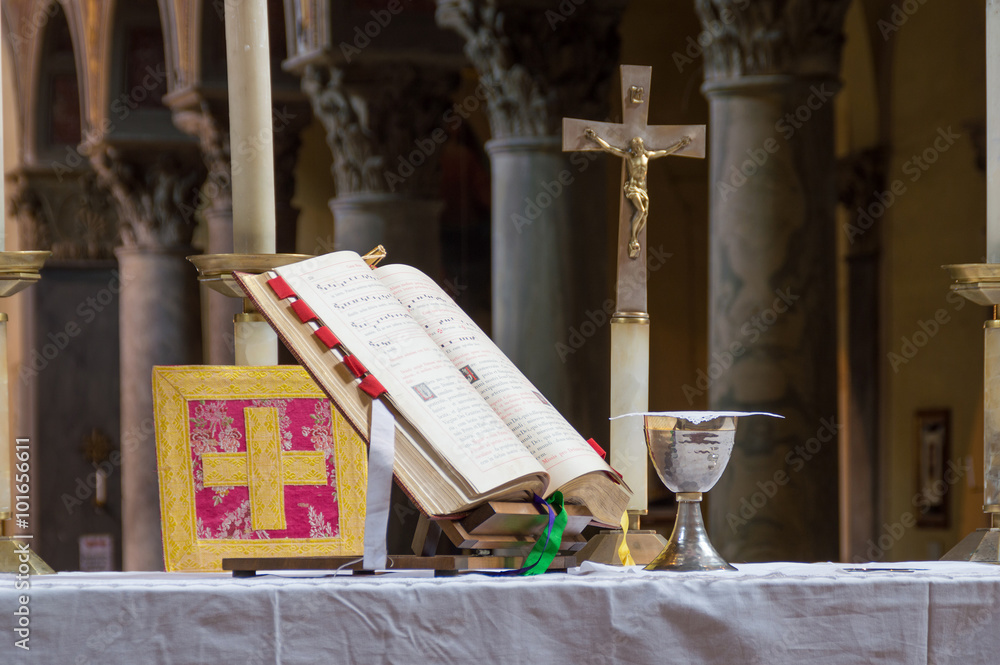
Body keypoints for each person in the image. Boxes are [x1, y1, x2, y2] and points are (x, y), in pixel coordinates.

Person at [584, 128, 691, 258]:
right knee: (640, 211)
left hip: (643, 189)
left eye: (639, 145)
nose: (637, 148)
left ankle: (635, 238)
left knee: (644, 214)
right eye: (635, 146)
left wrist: (680, 144)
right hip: (633, 188)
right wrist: (595, 137)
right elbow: (611, 148)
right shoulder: (629, 156)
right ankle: (634, 238)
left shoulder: (647, 155)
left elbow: (665, 152)